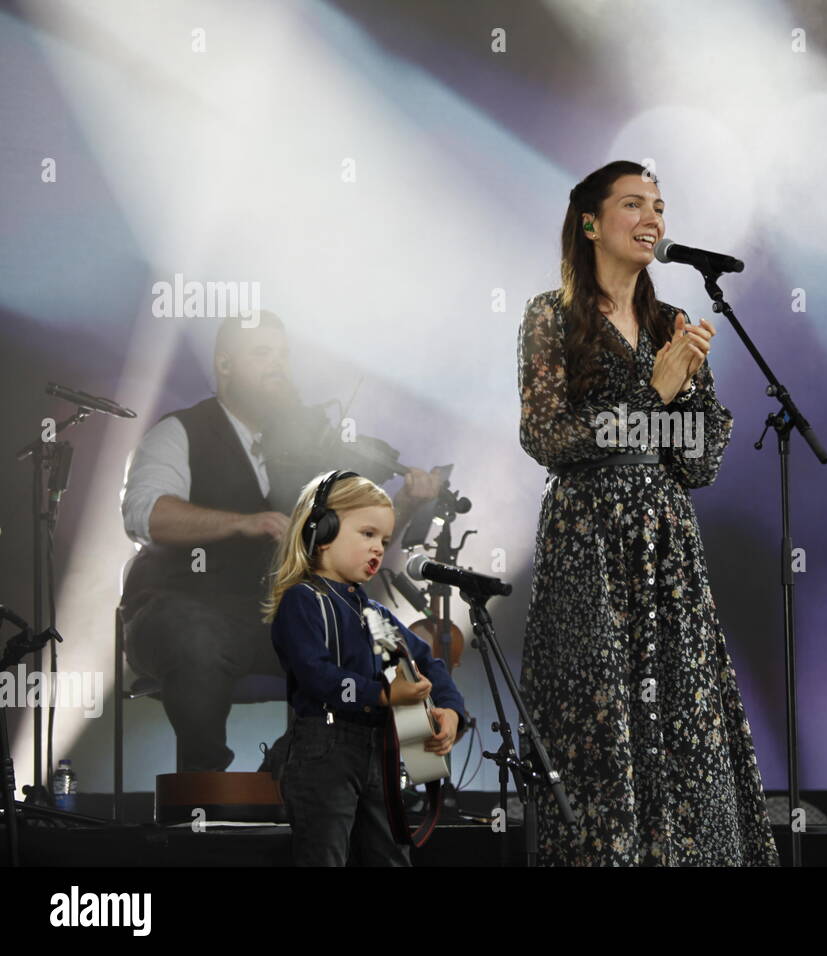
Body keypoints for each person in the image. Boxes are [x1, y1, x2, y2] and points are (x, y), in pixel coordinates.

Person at [516, 160, 779, 865]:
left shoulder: (671, 322)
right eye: (633, 204)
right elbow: (547, 437)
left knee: (682, 720)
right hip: (587, 540)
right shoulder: (551, 315)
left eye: (659, 205)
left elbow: (697, 461)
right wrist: (653, 397)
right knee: (598, 720)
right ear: (591, 222)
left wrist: (688, 391)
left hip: (664, 544)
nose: (653, 218)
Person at [120, 311, 448, 771]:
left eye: (284, 355)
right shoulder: (179, 432)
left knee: (386, 646)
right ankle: (204, 787)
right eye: (263, 354)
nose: (279, 366)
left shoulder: (302, 450)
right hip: (180, 608)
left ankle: (391, 785)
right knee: (196, 633)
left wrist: (408, 505)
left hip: (269, 618)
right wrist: (244, 523)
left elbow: (355, 554)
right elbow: (146, 514)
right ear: (226, 365)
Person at [264, 470, 468, 866]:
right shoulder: (302, 600)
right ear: (322, 530)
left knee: (391, 857)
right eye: (367, 534)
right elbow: (317, 674)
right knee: (325, 856)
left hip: (381, 752)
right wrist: (382, 694)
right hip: (324, 750)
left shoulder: (375, 615)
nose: (378, 549)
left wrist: (451, 710)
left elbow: (426, 660)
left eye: (385, 541)